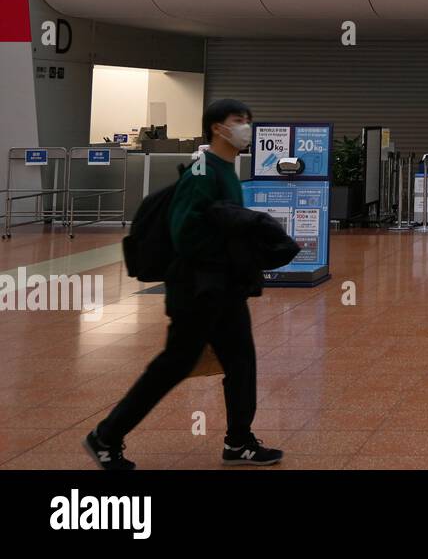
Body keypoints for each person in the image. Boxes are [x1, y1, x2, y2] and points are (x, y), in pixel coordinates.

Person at [85, 99, 283, 469]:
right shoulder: (203, 173)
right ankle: (106, 436)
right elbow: (185, 234)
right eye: (238, 120)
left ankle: (239, 442)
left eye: (248, 120)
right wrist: (235, 240)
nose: (246, 127)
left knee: (241, 361)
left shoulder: (225, 169)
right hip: (196, 290)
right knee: (173, 364)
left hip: (223, 288)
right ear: (217, 128)